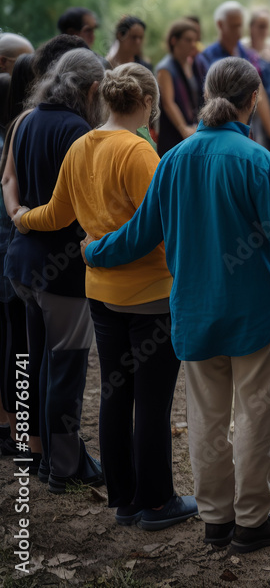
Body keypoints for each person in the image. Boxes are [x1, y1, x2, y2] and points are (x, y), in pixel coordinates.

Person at [81, 57, 270, 553]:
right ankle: (252, 520)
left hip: (195, 312)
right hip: (254, 312)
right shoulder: (258, 161)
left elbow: (139, 234)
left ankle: (216, 518)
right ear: (254, 99)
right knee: (256, 417)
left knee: (206, 418)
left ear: (206, 95)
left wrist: (95, 251)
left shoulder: (172, 159)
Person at [13, 63, 198, 530]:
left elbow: (57, 214)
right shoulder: (138, 152)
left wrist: (22, 218)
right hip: (150, 294)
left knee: (117, 393)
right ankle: (158, 502)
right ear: (148, 103)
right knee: (152, 401)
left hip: (100, 292)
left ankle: (125, 499)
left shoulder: (82, 145)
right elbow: (160, 227)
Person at [2, 49, 105, 492]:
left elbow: (11, 180)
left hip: (24, 261)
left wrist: (19, 216)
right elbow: (81, 206)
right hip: (62, 269)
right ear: (93, 89)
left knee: (39, 359)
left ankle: (42, 453)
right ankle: (64, 466)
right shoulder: (78, 131)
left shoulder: (26, 120)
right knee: (65, 365)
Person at [0, 54, 34, 465]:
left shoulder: (15, 134)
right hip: (13, 253)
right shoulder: (18, 137)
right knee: (19, 349)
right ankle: (20, 434)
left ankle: (11, 427)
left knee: (11, 343)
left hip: (10, 254)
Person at [195, 1, 270, 150]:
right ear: (220, 25)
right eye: (233, 26)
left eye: (240, 26)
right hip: (218, 132)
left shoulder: (244, 52)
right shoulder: (207, 58)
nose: (238, 32)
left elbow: (258, 88)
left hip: (247, 129)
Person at [155, 19, 205, 156]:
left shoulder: (191, 64)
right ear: (174, 41)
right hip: (173, 136)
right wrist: (184, 129)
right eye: (188, 40)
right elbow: (168, 103)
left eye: (194, 40)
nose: (193, 44)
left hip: (192, 131)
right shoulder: (165, 68)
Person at [245, 7, 270, 154]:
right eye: (260, 26)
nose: (263, 30)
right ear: (251, 26)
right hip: (255, 111)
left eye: (266, 26)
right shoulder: (244, 50)